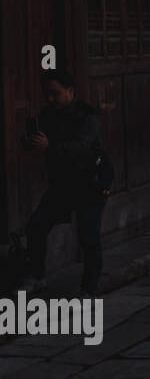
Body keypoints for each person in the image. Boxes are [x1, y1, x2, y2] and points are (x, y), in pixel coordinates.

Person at [19, 68, 112, 296]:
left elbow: (81, 147)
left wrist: (49, 147)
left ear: (70, 90)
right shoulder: (48, 113)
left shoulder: (87, 115)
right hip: (63, 184)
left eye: (55, 93)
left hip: (91, 182)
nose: (51, 99)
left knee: (88, 237)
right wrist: (30, 141)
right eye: (47, 94)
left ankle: (89, 290)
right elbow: (36, 141)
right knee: (36, 225)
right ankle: (37, 276)